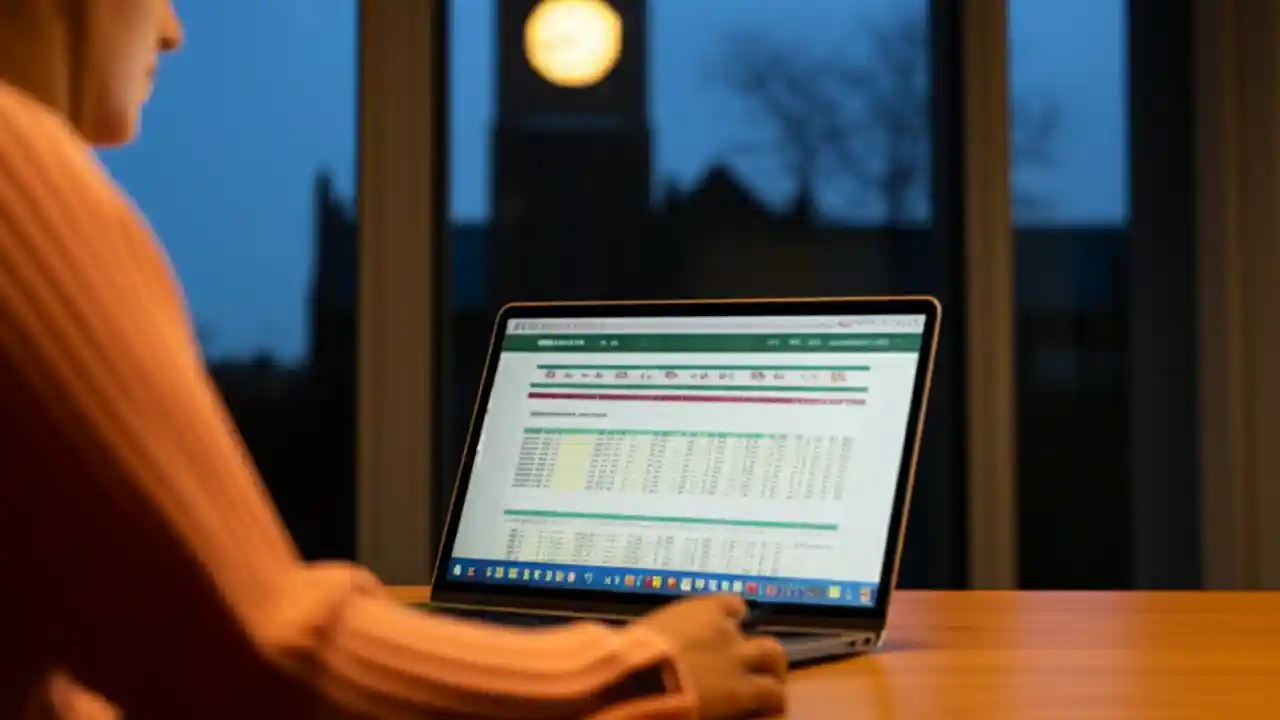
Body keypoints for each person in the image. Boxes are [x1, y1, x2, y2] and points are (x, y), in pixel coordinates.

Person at [0, 1, 788, 717]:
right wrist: (651, 668)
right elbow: (273, 659)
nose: (172, 29)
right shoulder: (16, 166)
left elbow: (135, 648)